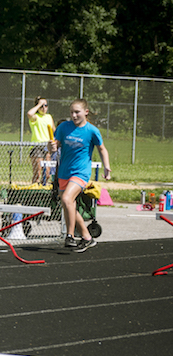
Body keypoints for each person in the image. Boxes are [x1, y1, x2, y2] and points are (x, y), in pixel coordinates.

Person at [52, 98, 111, 252]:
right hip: (64, 172)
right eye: (71, 112)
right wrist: (51, 146)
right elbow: (55, 145)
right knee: (68, 205)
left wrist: (107, 167)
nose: (74, 115)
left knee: (67, 199)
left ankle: (70, 236)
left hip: (80, 172)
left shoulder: (92, 131)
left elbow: (102, 149)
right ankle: (87, 238)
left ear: (86, 112)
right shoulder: (64, 127)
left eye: (77, 112)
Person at [26, 97, 54, 184]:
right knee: (37, 171)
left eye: (46, 105)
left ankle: (42, 187)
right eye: (42, 106)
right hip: (37, 147)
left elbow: (54, 130)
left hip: (47, 147)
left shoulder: (49, 117)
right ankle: (35, 188)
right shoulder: (35, 117)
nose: (44, 108)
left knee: (47, 173)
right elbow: (29, 114)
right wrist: (39, 104)